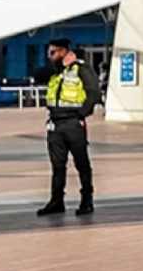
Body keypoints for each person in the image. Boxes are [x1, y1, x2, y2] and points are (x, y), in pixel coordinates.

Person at [33, 38, 101, 217]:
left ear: (64, 51)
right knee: (57, 165)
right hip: (55, 123)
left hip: (73, 123)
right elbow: (37, 75)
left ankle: (87, 200)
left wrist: (82, 114)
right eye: (49, 52)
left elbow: (94, 92)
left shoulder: (81, 69)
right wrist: (60, 66)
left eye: (53, 52)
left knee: (82, 163)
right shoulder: (54, 71)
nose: (50, 56)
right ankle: (56, 201)